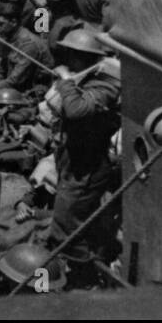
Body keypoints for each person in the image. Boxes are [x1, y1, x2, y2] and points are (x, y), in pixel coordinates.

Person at [45, 28, 121, 285]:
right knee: (73, 223)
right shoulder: (85, 78)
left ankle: (87, 278)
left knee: (64, 228)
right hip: (72, 162)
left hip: (89, 168)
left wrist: (66, 81)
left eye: (72, 54)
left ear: (84, 57)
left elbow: (77, 110)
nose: (67, 59)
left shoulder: (106, 84)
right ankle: (83, 270)